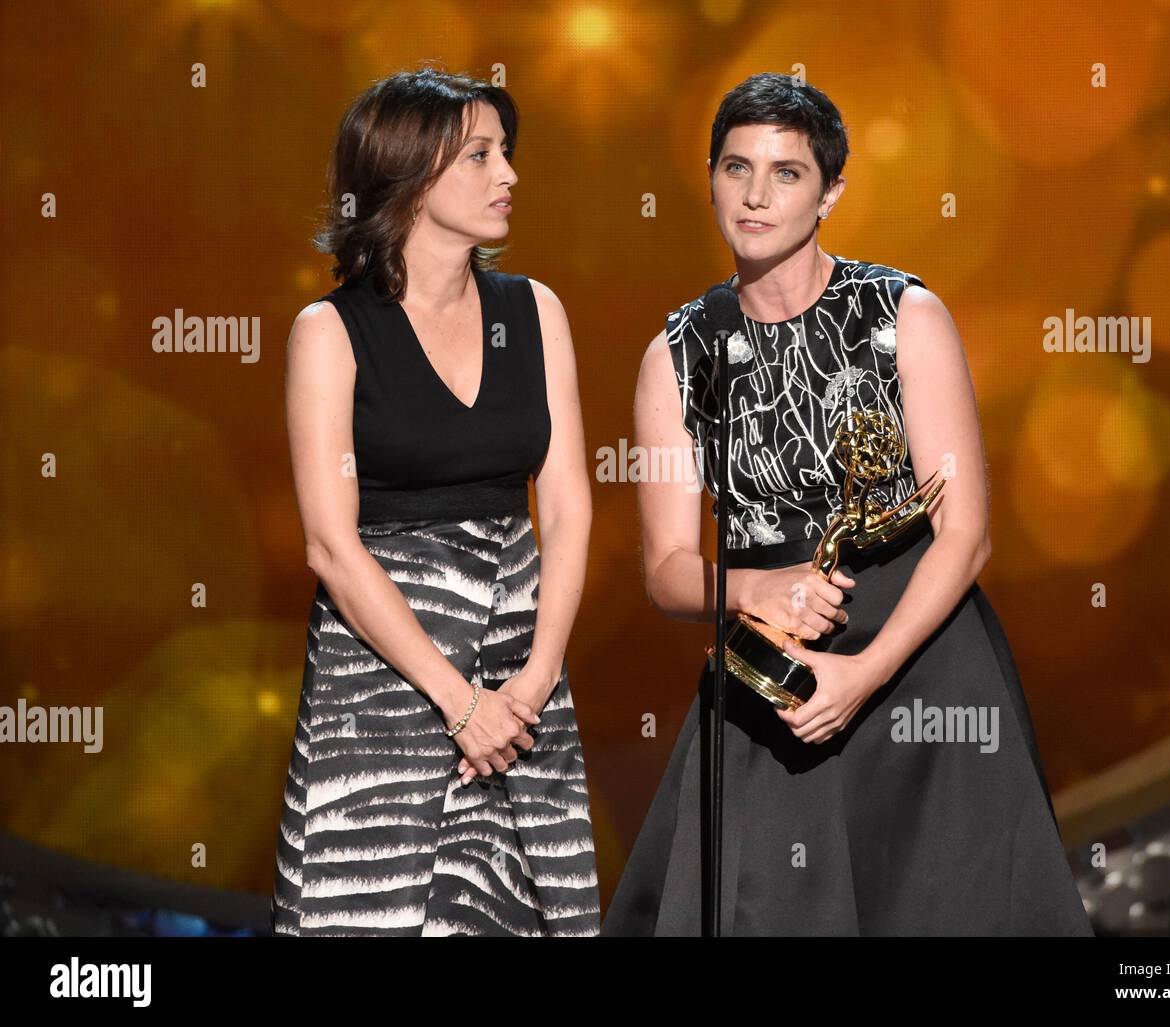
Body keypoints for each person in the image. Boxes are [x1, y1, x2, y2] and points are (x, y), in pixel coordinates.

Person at [602, 73, 1093, 936]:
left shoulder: (903, 314)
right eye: (735, 168)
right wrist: (755, 588)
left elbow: (966, 533)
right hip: (774, 679)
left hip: (925, 664)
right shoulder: (678, 355)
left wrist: (864, 676)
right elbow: (669, 571)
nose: (754, 195)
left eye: (786, 173)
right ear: (709, 176)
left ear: (831, 191)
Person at [271, 68, 600, 936]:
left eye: (507, 153)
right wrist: (460, 703)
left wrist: (529, 684)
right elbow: (332, 547)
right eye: (482, 155)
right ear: (411, 174)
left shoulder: (534, 311)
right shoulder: (330, 333)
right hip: (386, 687)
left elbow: (566, 505)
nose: (510, 175)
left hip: (523, 684)